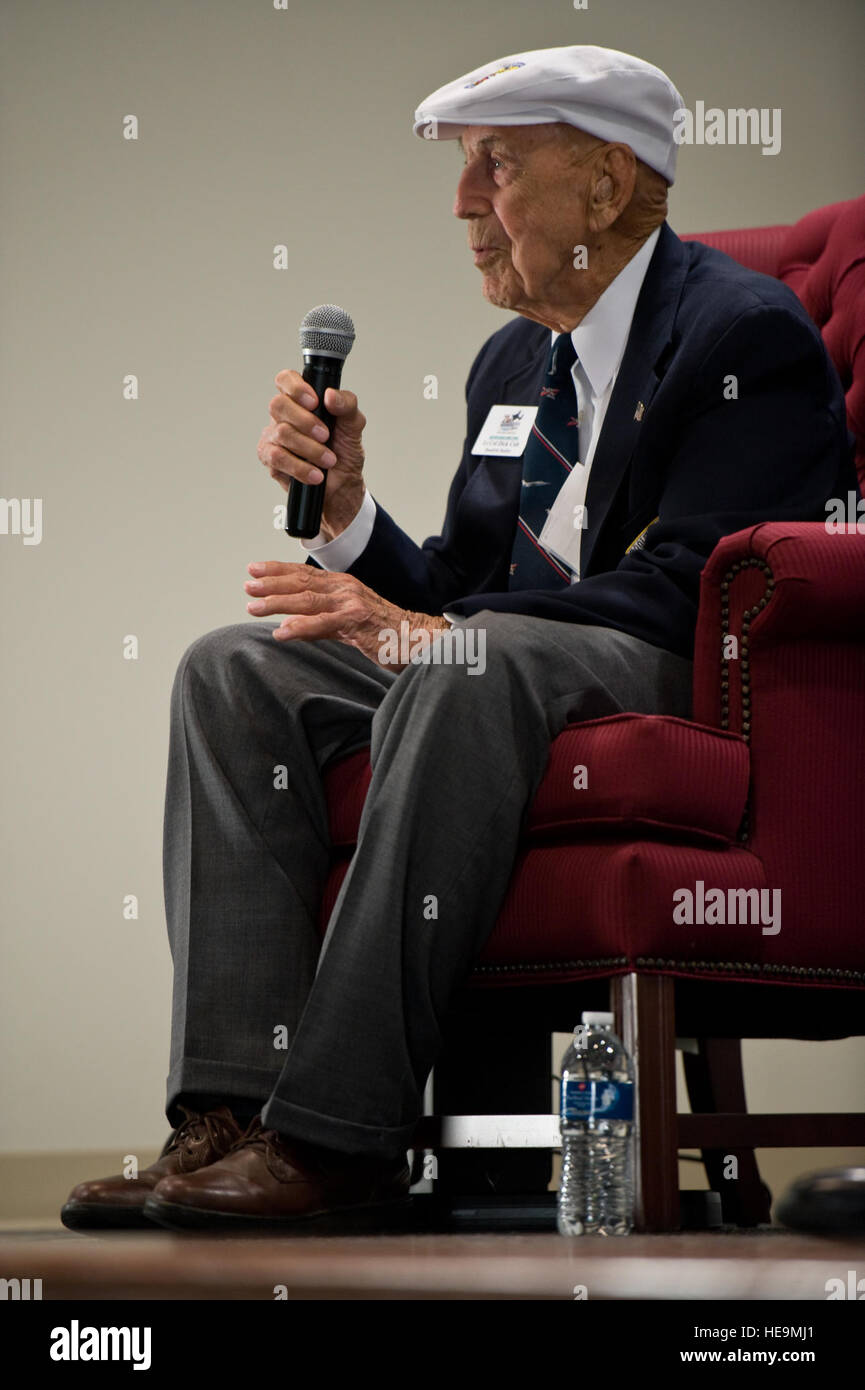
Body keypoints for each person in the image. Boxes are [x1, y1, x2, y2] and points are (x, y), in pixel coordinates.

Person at [61, 45, 854, 1232]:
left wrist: (441, 628)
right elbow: (464, 581)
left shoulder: (743, 335)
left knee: (457, 661)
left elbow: (690, 582)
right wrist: (352, 521)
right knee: (234, 670)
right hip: (510, 672)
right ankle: (228, 1114)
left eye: (496, 165)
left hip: (673, 676)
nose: (460, 204)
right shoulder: (512, 366)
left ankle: (337, 1134)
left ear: (601, 186)